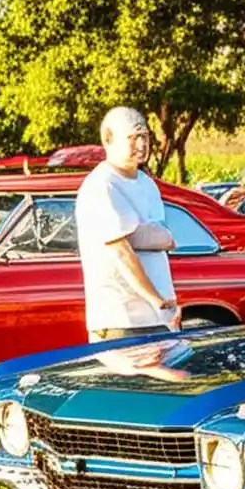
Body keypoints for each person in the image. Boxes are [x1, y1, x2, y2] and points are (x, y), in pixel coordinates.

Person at [75, 107, 179, 343]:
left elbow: (163, 236)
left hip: (159, 319)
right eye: (133, 138)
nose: (141, 144)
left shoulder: (147, 184)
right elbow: (121, 251)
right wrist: (156, 300)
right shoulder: (102, 185)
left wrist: (164, 306)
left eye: (145, 136)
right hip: (121, 321)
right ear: (108, 139)